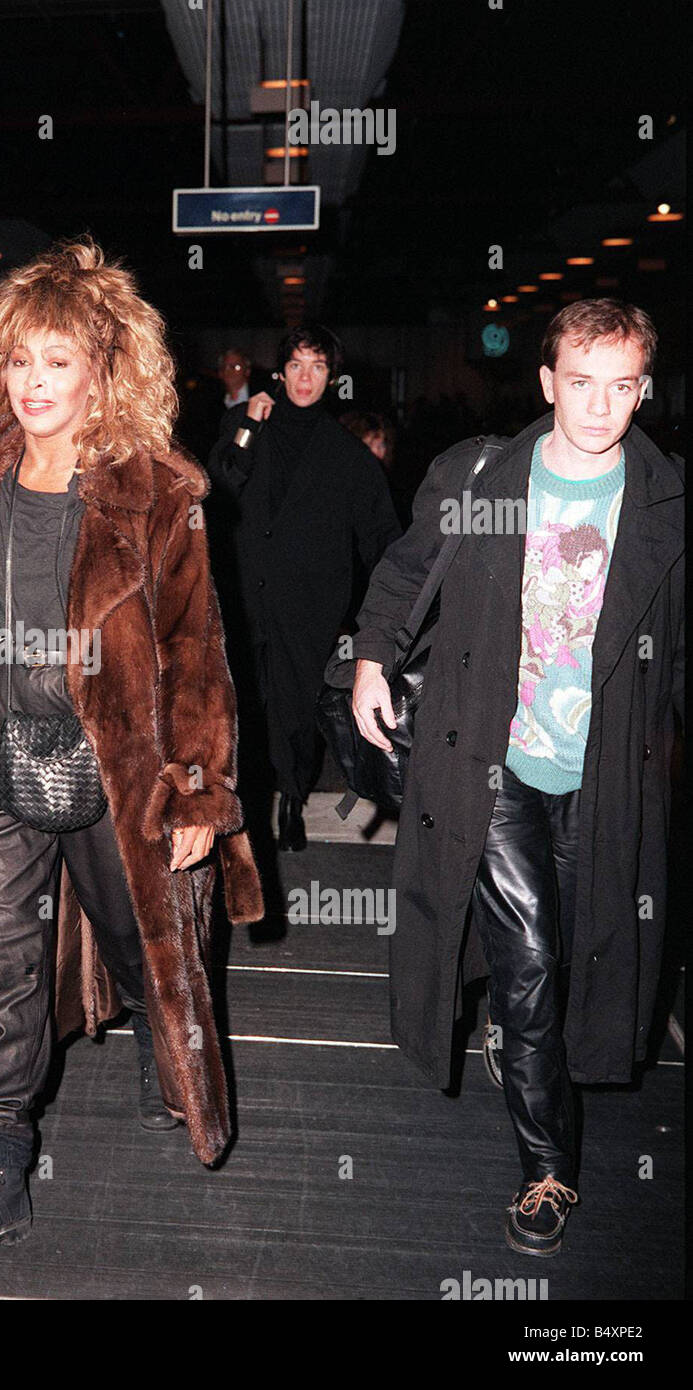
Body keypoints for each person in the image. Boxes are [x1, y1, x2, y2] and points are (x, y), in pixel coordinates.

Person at [0, 238, 263, 1262]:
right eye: (20, 359)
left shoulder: (158, 496)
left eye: (58, 361)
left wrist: (199, 791)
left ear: (106, 370)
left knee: (140, 939)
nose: (34, 382)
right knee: (4, 958)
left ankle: (172, 1065)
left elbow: (198, 653)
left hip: (115, 763)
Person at [349, 299, 683, 1257]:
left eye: (621, 386)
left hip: (606, 776)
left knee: (576, 952)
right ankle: (546, 1168)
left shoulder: (667, 505)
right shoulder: (480, 473)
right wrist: (373, 658)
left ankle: (523, 1041)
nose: (598, 405)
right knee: (532, 961)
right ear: (547, 382)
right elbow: (405, 574)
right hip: (487, 763)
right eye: (580, 382)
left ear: (641, 389)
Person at [207, 325, 401, 850]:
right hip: (244, 592)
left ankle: (292, 797)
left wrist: (394, 612)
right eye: (296, 365)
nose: (306, 377)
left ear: (332, 377)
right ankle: (242, 801)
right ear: (280, 372)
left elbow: (381, 537)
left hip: (311, 602)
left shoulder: (346, 454)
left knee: (295, 704)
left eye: (317, 367)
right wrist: (248, 424)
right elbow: (219, 484)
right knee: (245, 699)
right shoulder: (246, 424)